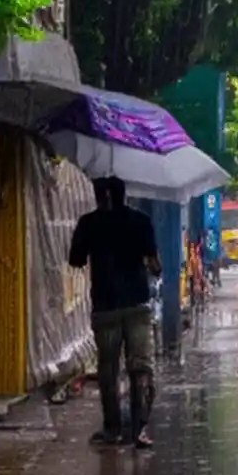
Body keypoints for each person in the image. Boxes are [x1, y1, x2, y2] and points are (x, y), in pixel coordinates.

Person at [69, 177, 161, 448]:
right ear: (124, 195)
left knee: (109, 369)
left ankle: (112, 430)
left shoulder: (88, 223)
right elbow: (154, 264)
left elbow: (75, 260)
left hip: (105, 306)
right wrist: (152, 267)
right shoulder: (141, 221)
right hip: (137, 306)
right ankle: (140, 430)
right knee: (141, 367)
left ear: (98, 196)